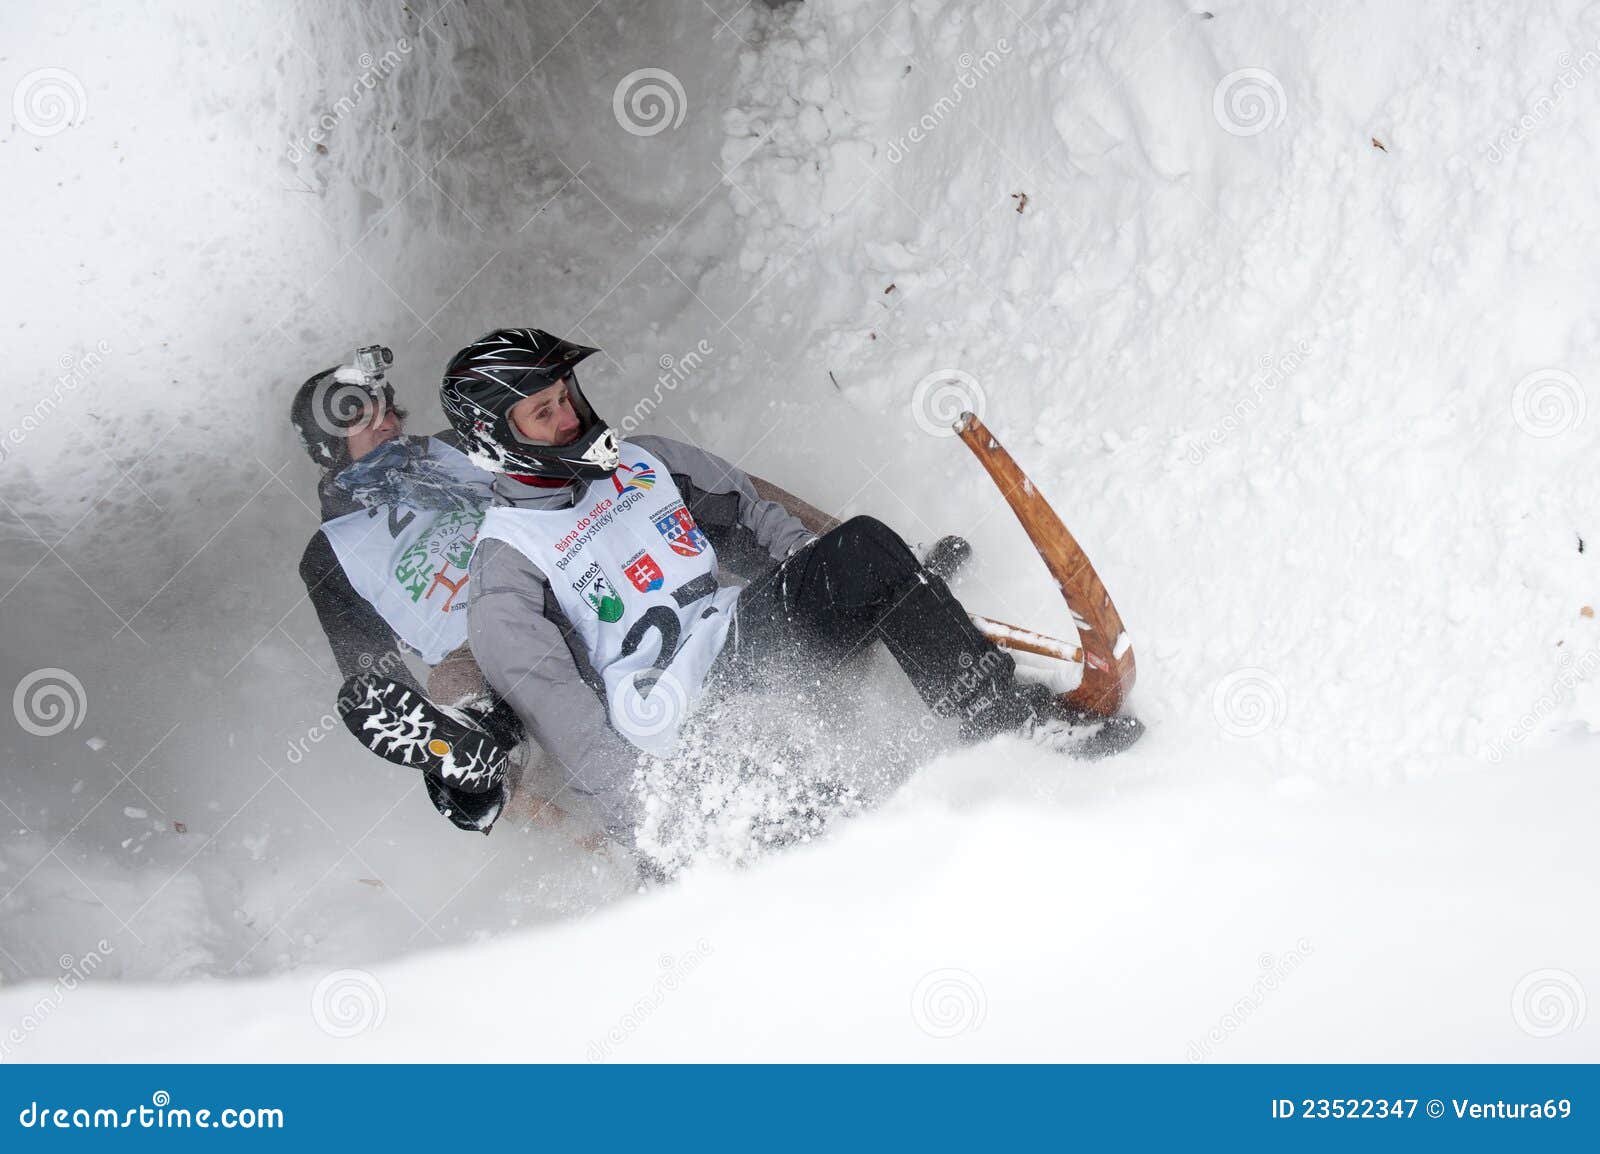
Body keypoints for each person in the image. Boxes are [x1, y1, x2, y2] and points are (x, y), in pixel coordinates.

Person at [444, 327, 1141, 846]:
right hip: (679, 730)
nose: (569, 418)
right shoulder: (508, 571)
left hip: (741, 639)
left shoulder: (646, 461)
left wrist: (848, 584)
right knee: (825, 837)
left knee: (861, 545)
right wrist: (653, 832)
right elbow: (571, 725)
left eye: (566, 397)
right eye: (544, 413)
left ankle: (1001, 719)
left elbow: (754, 519)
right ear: (496, 440)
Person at [290, 347, 527, 833]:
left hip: (541, 580)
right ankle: (472, 753)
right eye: (363, 418)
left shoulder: (457, 447)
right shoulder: (330, 552)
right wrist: (430, 735)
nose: (387, 422)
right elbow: (376, 670)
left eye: (388, 409)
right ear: (329, 446)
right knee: (454, 695)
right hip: (470, 648)